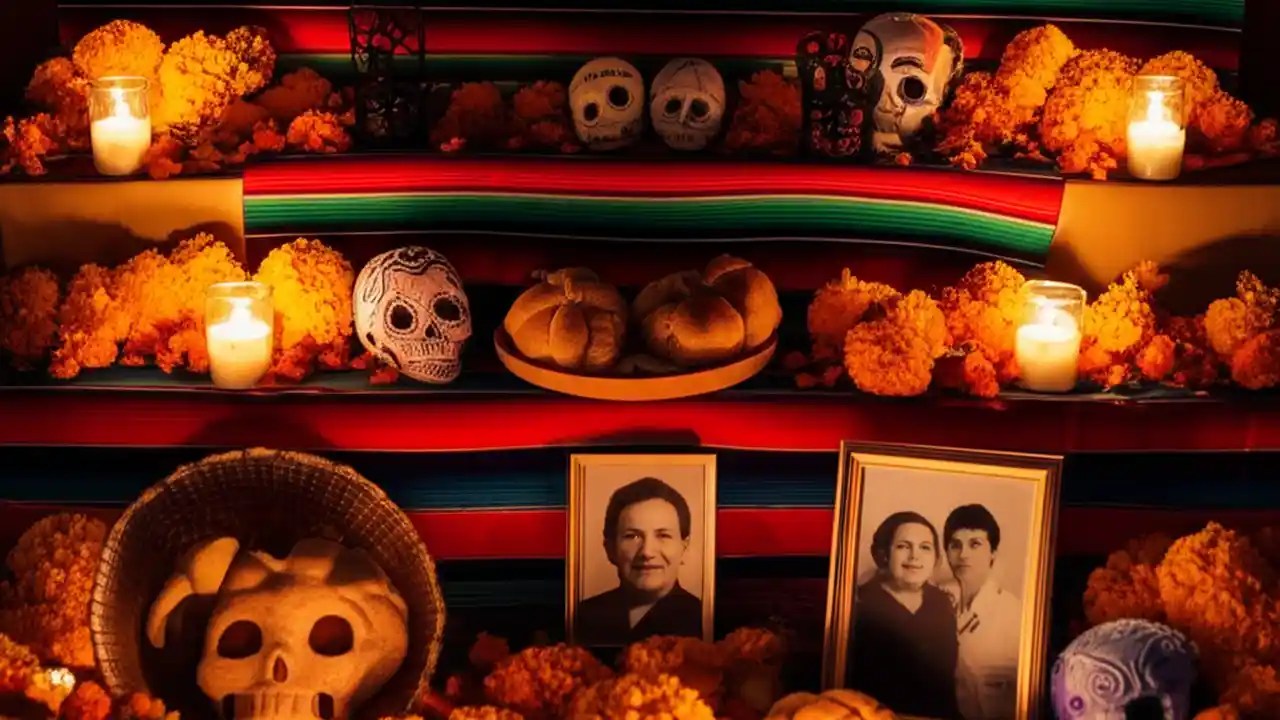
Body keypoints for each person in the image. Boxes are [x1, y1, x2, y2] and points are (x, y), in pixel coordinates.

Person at [849, 511, 960, 719]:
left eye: (925, 548)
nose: (914, 556)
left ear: (936, 558)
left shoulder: (942, 605)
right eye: (903, 546)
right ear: (884, 554)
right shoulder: (858, 606)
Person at [576, 477, 703, 646]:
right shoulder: (586, 614)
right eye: (632, 536)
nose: (647, 552)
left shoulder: (703, 617)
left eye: (663, 535)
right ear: (610, 549)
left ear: (684, 548)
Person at [942, 504, 1023, 720]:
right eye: (955, 545)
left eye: (975, 544)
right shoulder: (936, 600)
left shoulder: (1014, 614)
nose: (963, 555)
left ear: (993, 553)